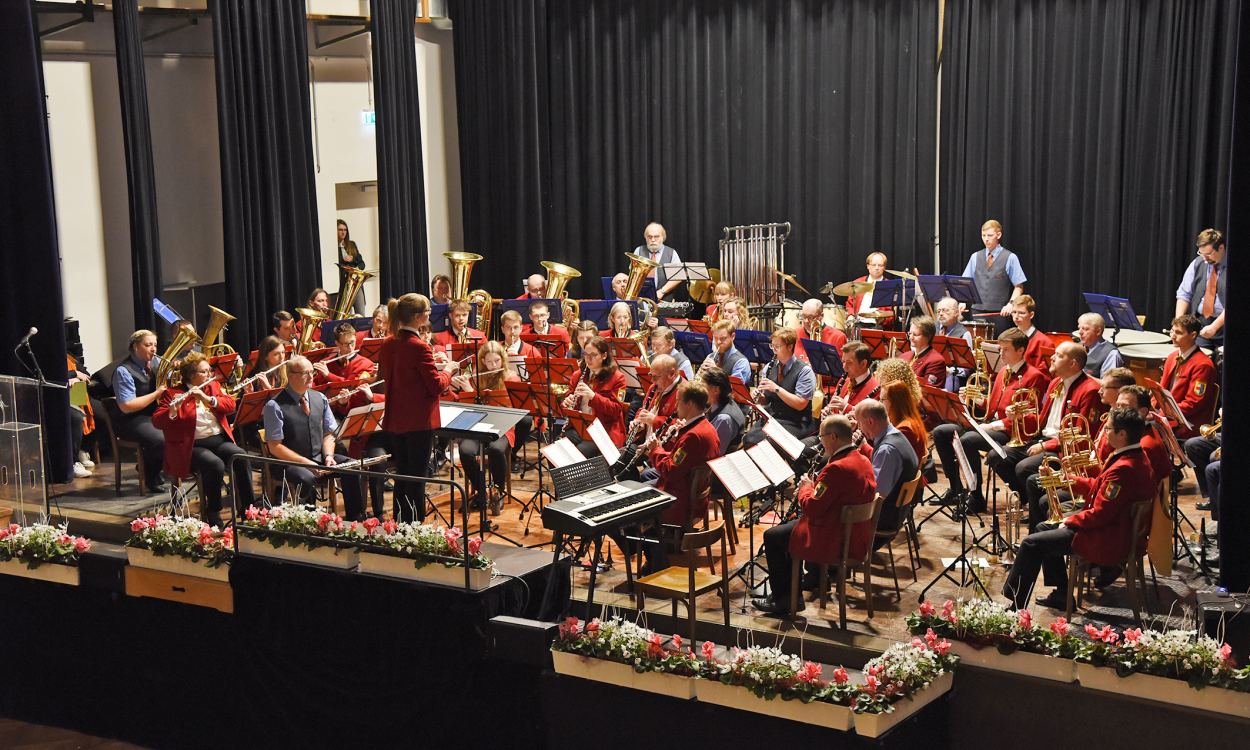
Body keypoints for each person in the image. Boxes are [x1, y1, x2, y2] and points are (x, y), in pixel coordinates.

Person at [1003, 407, 1155, 609]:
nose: (1104, 432)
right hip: (1112, 527)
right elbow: (1100, 488)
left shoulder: (1123, 468)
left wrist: (1070, 520)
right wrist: (1067, 480)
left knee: (1032, 544)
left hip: (1107, 536)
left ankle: (1015, 605)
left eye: (1108, 428)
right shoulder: (1133, 456)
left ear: (1122, 434)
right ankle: (1061, 594)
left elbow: (1101, 514)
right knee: (1042, 528)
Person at [752, 415, 877, 615]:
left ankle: (784, 600)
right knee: (785, 531)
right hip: (855, 534)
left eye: (822, 437)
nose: (820, 441)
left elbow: (812, 508)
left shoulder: (836, 468)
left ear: (834, 437)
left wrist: (806, 487)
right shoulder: (862, 459)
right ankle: (791, 595)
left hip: (834, 538)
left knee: (773, 536)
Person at [932, 327, 1049, 512]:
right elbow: (992, 407)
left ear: (1020, 350)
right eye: (1000, 349)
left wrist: (989, 426)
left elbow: (1026, 416)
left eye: (1006, 350)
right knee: (941, 432)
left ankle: (976, 497)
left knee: (968, 440)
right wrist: (976, 398)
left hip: (1009, 432)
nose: (1001, 354)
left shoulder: (1034, 376)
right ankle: (956, 489)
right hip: (991, 424)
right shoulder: (1003, 371)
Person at [990, 341, 1104, 501]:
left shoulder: (1089, 390)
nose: (1052, 358)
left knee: (1024, 468)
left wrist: (1046, 445)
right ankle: (1026, 500)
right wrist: (1020, 415)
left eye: (1058, 355)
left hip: (1059, 449)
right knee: (997, 456)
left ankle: (1043, 504)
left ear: (1073, 363)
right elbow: (1042, 420)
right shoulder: (1055, 382)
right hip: (1040, 439)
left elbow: (1080, 435)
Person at [380, 294, 459, 522]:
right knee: (417, 476)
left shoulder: (388, 343)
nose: (430, 314)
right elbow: (435, 386)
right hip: (418, 422)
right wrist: (449, 370)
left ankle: (400, 523)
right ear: (417, 317)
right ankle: (415, 524)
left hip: (395, 419)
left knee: (402, 475)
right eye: (427, 311)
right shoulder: (419, 347)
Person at [153, 352, 253, 526]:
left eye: (209, 370)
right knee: (215, 464)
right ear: (192, 375)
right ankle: (213, 511)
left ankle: (248, 509)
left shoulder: (212, 386)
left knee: (241, 456)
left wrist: (208, 399)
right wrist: (173, 411)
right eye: (204, 372)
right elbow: (157, 421)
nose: (210, 375)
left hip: (218, 440)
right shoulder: (173, 393)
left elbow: (230, 405)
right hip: (192, 446)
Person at [262, 355, 367, 520]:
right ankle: (311, 524)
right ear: (291, 376)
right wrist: (307, 463)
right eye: (305, 373)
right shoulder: (274, 406)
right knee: (307, 477)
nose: (311, 377)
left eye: (312, 372)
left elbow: (329, 433)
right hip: (288, 464)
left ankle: (356, 519)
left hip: (318, 457)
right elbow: (274, 446)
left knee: (351, 466)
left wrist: (329, 456)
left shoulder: (320, 398)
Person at [451, 341, 526, 515]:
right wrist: (468, 390)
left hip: (503, 426)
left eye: (496, 361)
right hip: (477, 426)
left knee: (496, 450)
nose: (493, 365)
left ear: (503, 360)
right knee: (465, 450)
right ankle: (482, 491)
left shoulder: (511, 378)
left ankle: (497, 491)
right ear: (483, 361)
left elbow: (509, 408)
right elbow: (468, 409)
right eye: (489, 362)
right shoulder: (476, 378)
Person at [853, 399, 919, 548]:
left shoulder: (887, 450)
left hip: (881, 522)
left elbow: (875, 495)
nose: (859, 427)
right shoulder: (896, 435)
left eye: (859, 422)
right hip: (896, 514)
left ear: (870, 421)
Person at [110, 329, 168, 493]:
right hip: (130, 420)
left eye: (155, 345)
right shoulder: (123, 371)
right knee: (161, 439)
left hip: (149, 416)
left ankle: (152, 467)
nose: (154, 349)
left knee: (180, 427)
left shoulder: (155, 364)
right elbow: (127, 405)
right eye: (148, 345)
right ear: (135, 347)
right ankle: (150, 474)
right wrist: (157, 394)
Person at [744, 328, 817, 446]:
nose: (774, 350)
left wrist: (777, 389)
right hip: (773, 417)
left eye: (777, 346)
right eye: (772, 346)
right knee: (749, 439)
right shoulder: (769, 367)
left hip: (797, 421)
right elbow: (766, 400)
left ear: (790, 347)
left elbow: (800, 404)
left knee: (768, 443)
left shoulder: (804, 371)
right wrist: (760, 398)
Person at [562, 336, 629, 456]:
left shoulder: (618, 378)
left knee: (578, 453)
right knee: (557, 452)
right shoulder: (578, 375)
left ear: (604, 356)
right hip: (580, 428)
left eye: (593, 355)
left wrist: (593, 396)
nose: (588, 359)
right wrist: (566, 402)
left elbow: (616, 409)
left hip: (603, 431)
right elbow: (568, 400)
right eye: (586, 354)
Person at [961, 219, 1026, 336]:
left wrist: (1011, 304)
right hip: (977, 311)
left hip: (999, 313)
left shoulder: (1010, 257)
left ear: (999, 235)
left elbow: (1019, 286)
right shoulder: (975, 257)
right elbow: (965, 283)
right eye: (983, 235)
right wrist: (962, 301)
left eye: (990, 235)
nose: (986, 239)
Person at [1159, 314, 1218, 439]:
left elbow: (1192, 404)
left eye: (1179, 333)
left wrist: (1162, 413)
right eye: (1172, 331)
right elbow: (1160, 390)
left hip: (1187, 423)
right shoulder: (1172, 357)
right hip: (1168, 415)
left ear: (1193, 335)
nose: (1173, 336)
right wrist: (1151, 409)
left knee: (1143, 427)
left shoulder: (1203, 365)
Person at [1175, 228, 1226, 347]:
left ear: (1221, 248)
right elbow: (1184, 294)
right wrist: (1179, 322)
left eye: (1208, 254)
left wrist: (1214, 327)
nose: (1204, 259)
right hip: (1201, 323)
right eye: (1201, 253)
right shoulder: (1198, 263)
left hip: (1225, 326)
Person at [822, 342, 880, 416]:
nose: (844, 367)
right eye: (843, 362)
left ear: (863, 364)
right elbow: (834, 409)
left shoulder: (876, 389)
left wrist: (846, 408)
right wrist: (828, 413)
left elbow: (871, 420)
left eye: (849, 363)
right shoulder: (844, 380)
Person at [881, 381, 928, 466]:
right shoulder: (905, 421)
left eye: (882, 400)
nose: (880, 403)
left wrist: (864, 445)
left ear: (895, 402)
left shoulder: (905, 430)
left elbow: (885, 461)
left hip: (900, 478)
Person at [633, 222, 683, 301]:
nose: (653, 240)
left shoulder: (672, 253)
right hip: (641, 298)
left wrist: (662, 291)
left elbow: (678, 277)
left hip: (665, 299)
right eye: (649, 237)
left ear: (663, 237)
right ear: (645, 238)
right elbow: (633, 275)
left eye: (656, 236)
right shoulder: (638, 251)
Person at [700, 366, 743, 455]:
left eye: (702, 386)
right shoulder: (715, 403)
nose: (699, 390)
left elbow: (715, 453)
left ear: (716, 390)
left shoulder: (724, 419)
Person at [845, 251, 894, 328]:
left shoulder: (889, 285)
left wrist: (883, 320)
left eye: (880, 265)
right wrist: (850, 316)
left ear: (884, 267)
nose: (877, 268)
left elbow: (891, 312)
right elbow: (850, 304)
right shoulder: (857, 282)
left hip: (878, 325)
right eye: (874, 265)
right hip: (858, 322)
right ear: (868, 266)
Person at [1008, 295, 1056, 371]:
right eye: (1014, 312)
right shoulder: (1008, 337)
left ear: (1031, 315)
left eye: (1021, 313)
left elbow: (1046, 375)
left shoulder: (1045, 342)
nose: (1016, 316)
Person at [934, 296, 973, 389]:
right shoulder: (932, 329)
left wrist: (950, 371)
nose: (941, 314)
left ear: (956, 312)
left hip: (952, 377)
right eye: (938, 311)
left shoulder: (964, 334)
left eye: (945, 310)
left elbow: (966, 368)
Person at [795, 298, 847, 362]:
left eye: (811, 317)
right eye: (803, 316)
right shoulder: (795, 334)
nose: (806, 321)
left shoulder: (838, 337)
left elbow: (840, 368)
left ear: (821, 316)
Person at [899, 316, 946, 388]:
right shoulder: (904, 356)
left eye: (915, 334)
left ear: (928, 336)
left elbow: (929, 390)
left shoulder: (936, 361)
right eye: (910, 333)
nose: (911, 337)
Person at [700, 320, 751, 384]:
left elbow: (734, 388)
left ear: (733, 336)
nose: (718, 342)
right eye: (716, 338)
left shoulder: (741, 362)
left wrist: (716, 371)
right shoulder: (710, 356)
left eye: (723, 338)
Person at [1076, 312, 1124, 378]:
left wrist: (1079, 375)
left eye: (1085, 329)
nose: (1080, 332)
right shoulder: (1077, 347)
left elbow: (1107, 385)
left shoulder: (1111, 354)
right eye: (1079, 328)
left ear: (1098, 332)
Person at [335, 219, 367, 316]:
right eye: (340, 230)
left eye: (345, 230)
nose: (343, 232)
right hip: (342, 285)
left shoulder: (351, 245)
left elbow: (362, 265)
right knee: (344, 315)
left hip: (355, 283)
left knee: (360, 313)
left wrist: (353, 259)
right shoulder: (333, 246)